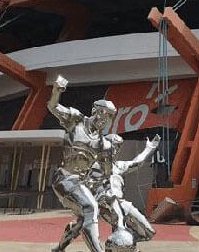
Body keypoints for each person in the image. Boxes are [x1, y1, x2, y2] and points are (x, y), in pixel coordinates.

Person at [48, 75, 116, 252]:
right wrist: (56, 91)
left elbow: (108, 172)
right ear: (94, 110)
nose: (105, 118)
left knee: (84, 216)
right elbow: (53, 106)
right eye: (103, 113)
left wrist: (109, 185)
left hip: (81, 183)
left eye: (109, 116)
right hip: (64, 178)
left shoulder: (103, 144)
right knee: (90, 207)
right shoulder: (77, 121)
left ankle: (59, 248)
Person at [97, 134, 161, 243]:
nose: (116, 150)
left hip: (122, 203)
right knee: (119, 227)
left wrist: (150, 147)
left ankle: (126, 244)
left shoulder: (119, 166)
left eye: (118, 147)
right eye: (114, 147)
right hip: (106, 204)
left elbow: (137, 162)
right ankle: (118, 244)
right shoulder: (96, 167)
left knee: (149, 233)